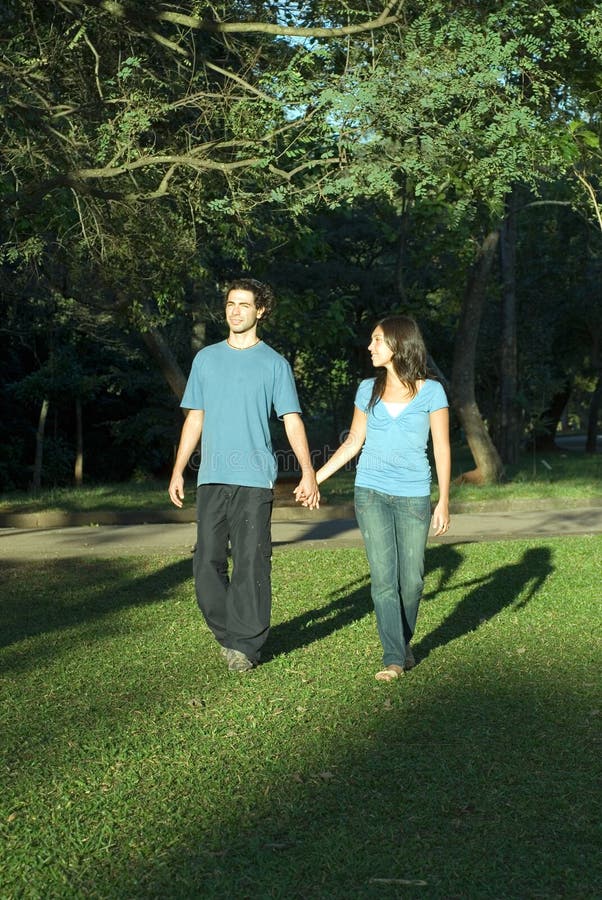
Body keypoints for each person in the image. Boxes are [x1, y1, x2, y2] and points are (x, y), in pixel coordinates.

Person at [168, 277, 319, 673]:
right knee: (206, 562)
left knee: (251, 562)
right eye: (231, 304)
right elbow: (194, 419)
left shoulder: (274, 364)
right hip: (212, 477)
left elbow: (291, 420)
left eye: (244, 305)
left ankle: (246, 645)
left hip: (254, 480)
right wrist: (178, 469)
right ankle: (229, 633)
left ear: (260, 310)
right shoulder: (206, 360)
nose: (235, 311)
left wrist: (308, 473)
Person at [305, 315, 450, 683]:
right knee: (384, 579)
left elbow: (442, 448)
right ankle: (394, 658)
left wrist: (444, 500)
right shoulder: (367, 388)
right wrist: (315, 478)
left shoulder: (432, 392)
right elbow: (353, 441)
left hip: (414, 494)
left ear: (399, 345)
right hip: (370, 492)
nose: (370, 347)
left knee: (413, 580)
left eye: (377, 340)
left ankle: (402, 644)